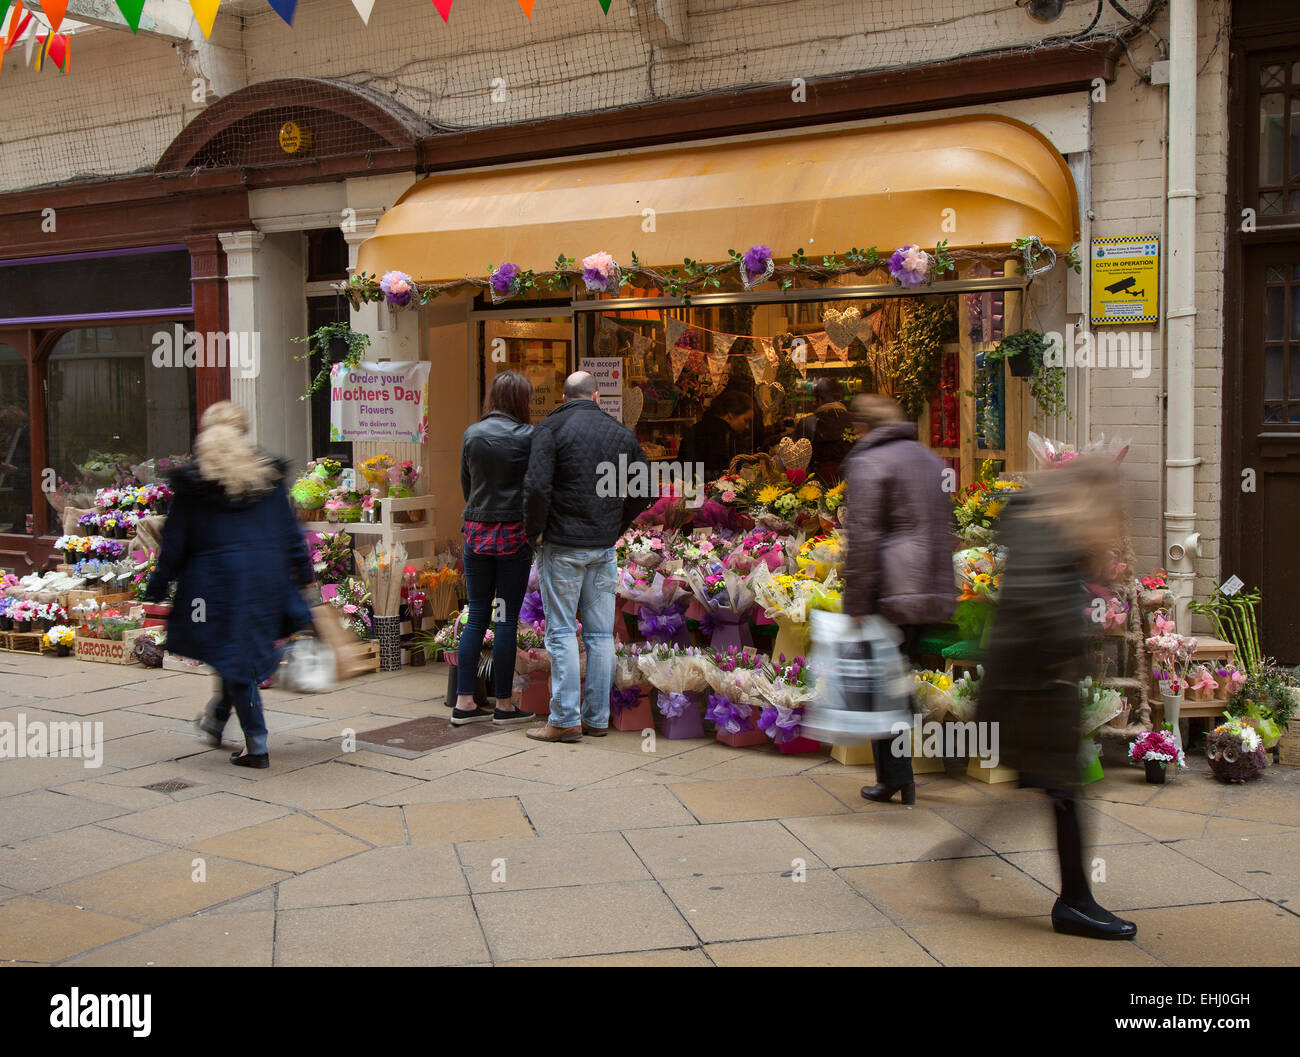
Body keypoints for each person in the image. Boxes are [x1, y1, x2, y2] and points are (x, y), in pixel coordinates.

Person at [977, 457, 1137, 941]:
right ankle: (1075, 903)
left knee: (1054, 788)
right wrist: (1068, 647)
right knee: (1064, 789)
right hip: (1033, 689)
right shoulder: (1042, 532)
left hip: (1033, 687)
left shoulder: (1046, 530)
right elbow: (1037, 605)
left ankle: (1070, 897)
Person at [143, 401, 314, 768]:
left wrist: (157, 585)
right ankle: (216, 720)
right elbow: (289, 532)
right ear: (244, 432)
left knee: (234, 656)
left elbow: (175, 542)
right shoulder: (265, 475)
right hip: (264, 579)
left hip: (214, 585)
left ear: (204, 433)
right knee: (235, 653)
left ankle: (257, 745)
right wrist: (304, 575)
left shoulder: (195, 481)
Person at [523, 371, 651, 741]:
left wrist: (535, 533)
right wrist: (617, 525)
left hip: (561, 545)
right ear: (596, 396)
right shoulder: (621, 434)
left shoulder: (549, 429)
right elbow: (644, 489)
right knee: (599, 635)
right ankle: (596, 718)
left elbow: (535, 488)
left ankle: (564, 720)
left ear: (563, 398)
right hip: (602, 545)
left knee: (561, 631)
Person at [841, 394, 955, 803]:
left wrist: (855, 602)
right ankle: (899, 773)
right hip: (928, 584)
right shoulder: (928, 458)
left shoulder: (870, 460)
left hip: (890, 589)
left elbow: (865, 537)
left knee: (882, 683)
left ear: (862, 427)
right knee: (897, 677)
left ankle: (895, 777)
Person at [452, 370, 537, 727]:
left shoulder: (472, 433)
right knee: (504, 620)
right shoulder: (528, 436)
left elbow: (466, 483)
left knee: (475, 617)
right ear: (521, 401)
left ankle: (465, 701)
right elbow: (535, 487)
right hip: (513, 537)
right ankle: (503, 704)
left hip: (477, 534)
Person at [677, 388, 754, 480]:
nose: (747, 426)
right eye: (745, 420)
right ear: (730, 415)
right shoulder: (727, 435)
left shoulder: (696, 429)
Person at [793, 377, 855, 482]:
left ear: (820, 400)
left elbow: (798, 462)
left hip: (816, 486)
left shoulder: (807, 423)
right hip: (851, 482)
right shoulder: (855, 422)